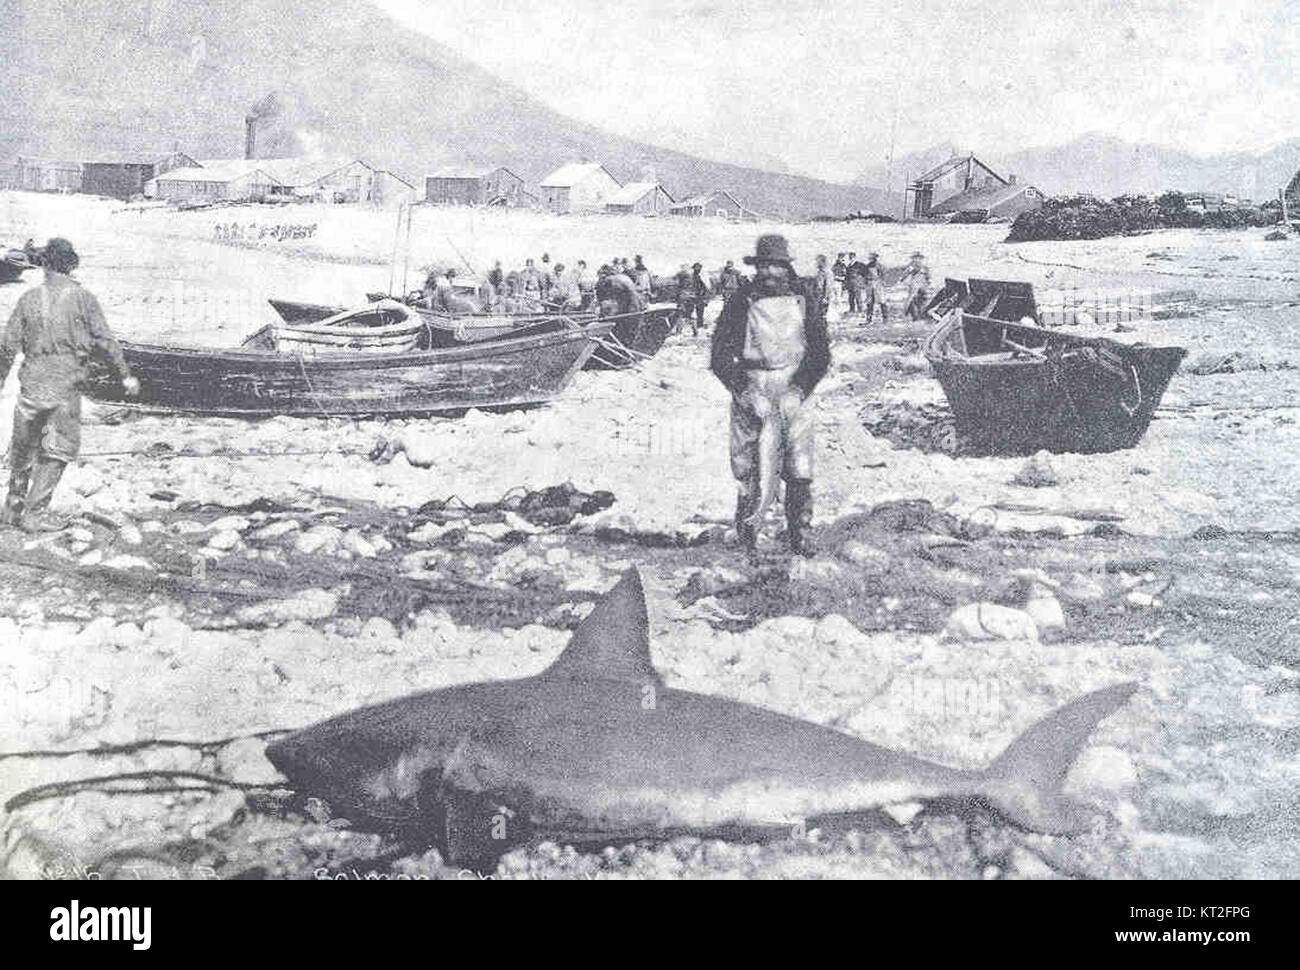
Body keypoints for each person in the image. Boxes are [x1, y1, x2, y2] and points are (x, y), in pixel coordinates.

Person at [1, 238, 139, 532]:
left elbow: (6, 345)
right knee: (58, 449)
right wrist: (124, 374)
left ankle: (12, 510)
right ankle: (34, 514)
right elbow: (105, 340)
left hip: (32, 383)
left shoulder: (28, 298)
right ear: (71, 266)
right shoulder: (83, 299)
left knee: (23, 447)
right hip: (64, 385)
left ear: (45, 265)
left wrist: (1, 381)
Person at [709, 234, 829, 558]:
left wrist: (799, 389)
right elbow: (719, 355)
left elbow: (820, 354)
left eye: (776, 266)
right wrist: (745, 392)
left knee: (798, 464)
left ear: (786, 268)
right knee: (746, 465)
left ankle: (799, 533)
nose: (770, 273)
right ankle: (747, 531)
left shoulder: (805, 297)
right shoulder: (740, 300)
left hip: (793, 384)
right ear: (757, 267)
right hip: (752, 384)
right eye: (764, 266)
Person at [901, 251, 932, 320]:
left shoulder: (925, 267)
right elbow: (904, 275)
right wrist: (902, 280)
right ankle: (911, 314)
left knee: (923, 300)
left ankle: (923, 314)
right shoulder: (911, 267)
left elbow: (928, 277)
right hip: (914, 285)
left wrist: (928, 282)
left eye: (919, 258)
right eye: (915, 258)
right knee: (912, 299)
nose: (917, 260)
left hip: (922, 285)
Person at [863, 251, 888, 324]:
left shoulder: (879, 266)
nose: (870, 259)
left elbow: (883, 274)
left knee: (882, 301)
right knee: (869, 302)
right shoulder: (867, 266)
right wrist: (866, 283)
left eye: (872, 258)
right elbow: (865, 275)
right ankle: (868, 319)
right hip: (870, 284)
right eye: (870, 258)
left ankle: (885, 318)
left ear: (875, 258)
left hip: (878, 284)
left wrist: (882, 282)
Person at [809, 253, 833, 323]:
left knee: (822, 315)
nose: (816, 263)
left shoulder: (827, 272)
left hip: (822, 297)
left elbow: (828, 286)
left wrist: (825, 297)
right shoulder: (819, 272)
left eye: (817, 261)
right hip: (817, 296)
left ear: (822, 262)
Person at [844, 251, 867, 316]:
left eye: (852, 256)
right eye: (850, 257)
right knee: (851, 297)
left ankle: (860, 310)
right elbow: (847, 275)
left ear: (855, 257)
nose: (851, 258)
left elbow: (864, 273)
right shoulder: (849, 265)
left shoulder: (859, 264)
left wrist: (861, 280)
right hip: (850, 284)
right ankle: (852, 310)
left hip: (857, 284)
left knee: (858, 297)